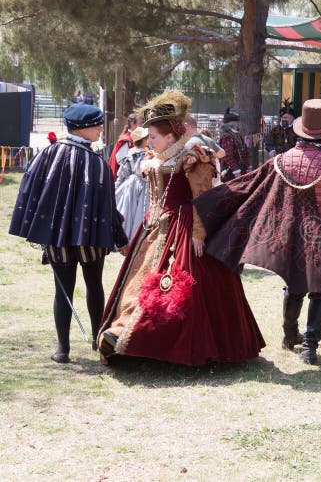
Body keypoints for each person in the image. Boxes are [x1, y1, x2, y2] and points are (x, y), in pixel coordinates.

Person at [193, 97, 321, 365]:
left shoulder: (279, 161)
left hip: (292, 234)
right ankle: (309, 347)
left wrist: (209, 207)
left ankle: (290, 337)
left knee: (295, 283)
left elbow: (249, 187)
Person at [97, 90, 265, 366]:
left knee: (181, 286)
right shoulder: (155, 157)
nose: (149, 141)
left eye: (154, 136)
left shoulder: (192, 158)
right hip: (153, 227)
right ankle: (125, 331)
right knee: (138, 282)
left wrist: (199, 232)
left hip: (183, 227)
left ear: (170, 136)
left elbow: (203, 198)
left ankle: (165, 342)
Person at [9, 103, 129, 363]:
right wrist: (121, 240)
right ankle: (97, 342)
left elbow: (29, 190)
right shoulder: (97, 162)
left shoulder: (48, 153)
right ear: (81, 128)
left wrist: (35, 228)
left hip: (57, 238)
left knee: (63, 289)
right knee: (94, 286)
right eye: (96, 125)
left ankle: (63, 350)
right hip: (91, 238)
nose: (100, 128)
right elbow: (110, 208)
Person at [114, 126, 150, 240]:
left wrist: (116, 189)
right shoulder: (146, 155)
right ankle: (136, 238)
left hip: (130, 185)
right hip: (144, 185)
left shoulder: (130, 154)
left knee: (128, 213)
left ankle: (127, 238)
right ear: (143, 140)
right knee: (140, 214)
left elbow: (122, 174)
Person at [218, 107, 250, 182]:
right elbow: (228, 156)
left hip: (241, 170)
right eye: (238, 122)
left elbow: (245, 151)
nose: (239, 124)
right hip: (231, 173)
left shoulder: (237, 135)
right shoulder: (227, 136)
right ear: (233, 123)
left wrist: (247, 165)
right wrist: (236, 171)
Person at [108, 113, 141, 180]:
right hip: (124, 179)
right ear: (132, 123)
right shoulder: (126, 140)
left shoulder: (135, 138)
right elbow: (121, 161)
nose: (141, 126)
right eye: (140, 123)